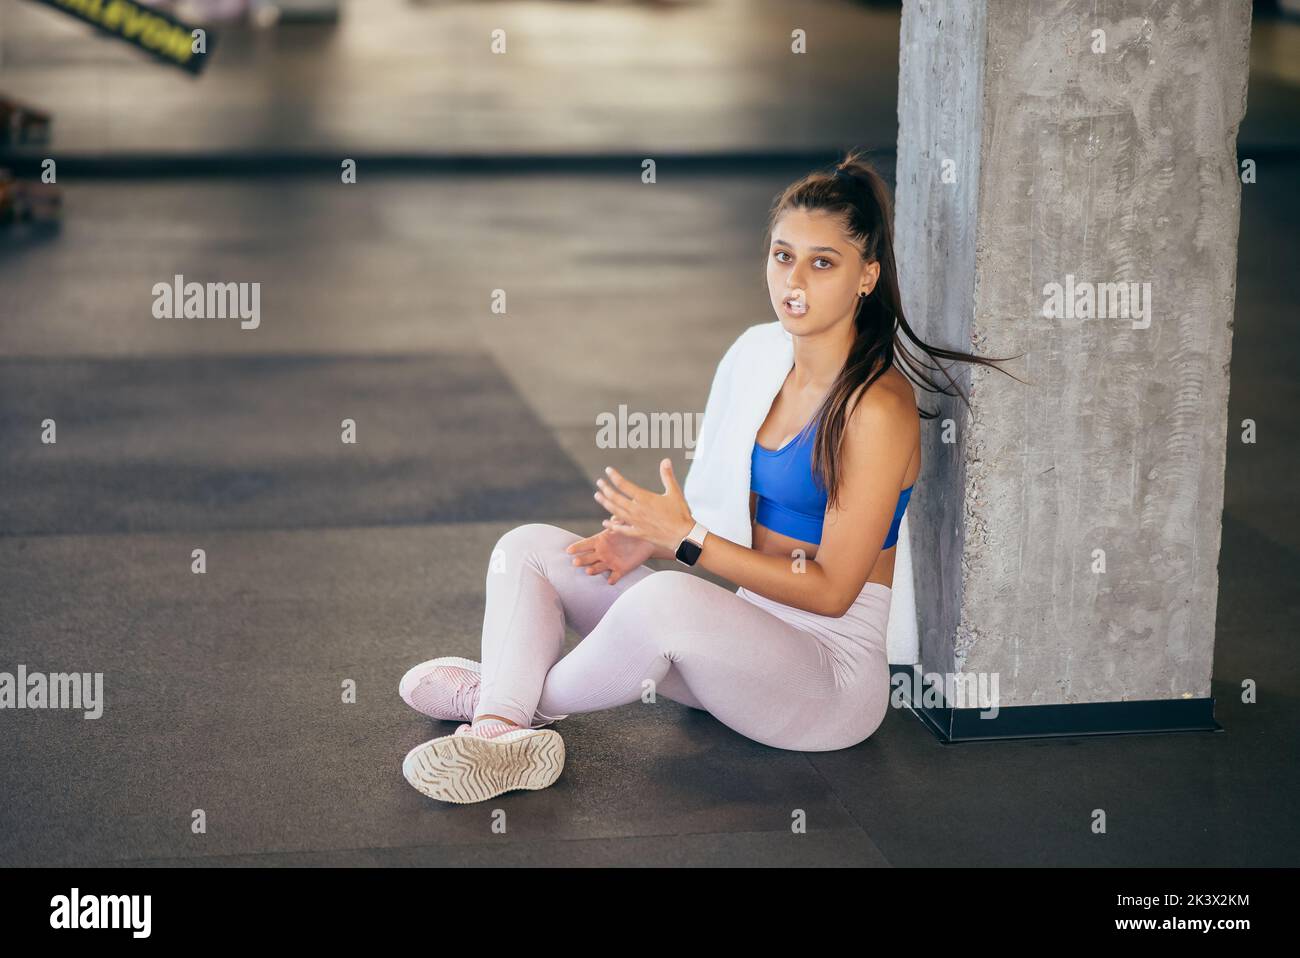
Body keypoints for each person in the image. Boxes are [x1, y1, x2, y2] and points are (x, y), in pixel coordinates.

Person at [400, 149, 1019, 804]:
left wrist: (686, 538)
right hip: (740, 649)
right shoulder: (762, 357)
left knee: (662, 601)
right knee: (524, 549)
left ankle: (500, 706)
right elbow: (724, 494)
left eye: (823, 262)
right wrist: (654, 538)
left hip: (826, 684)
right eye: (783, 255)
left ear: (866, 276)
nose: (796, 281)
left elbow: (835, 590)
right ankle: (504, 724)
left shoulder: (877, 408)